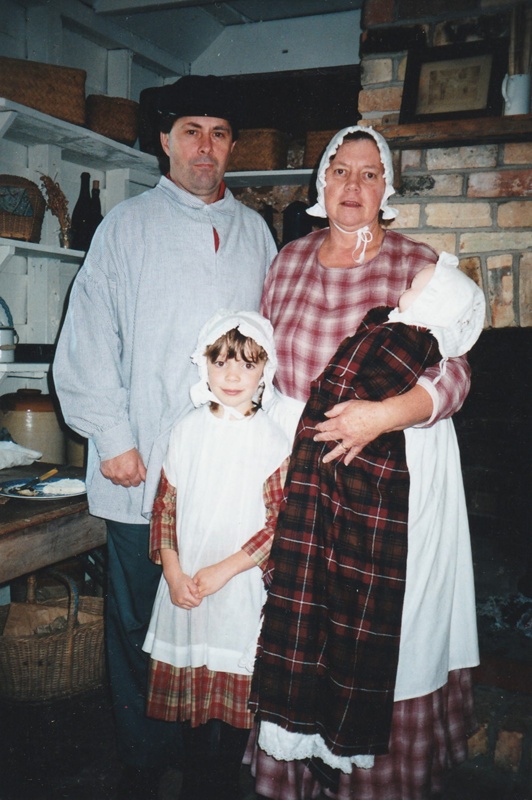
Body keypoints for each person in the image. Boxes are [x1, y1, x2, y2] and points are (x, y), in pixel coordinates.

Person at [52, 75, 277, 797]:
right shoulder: (127, 226)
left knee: (218, 626)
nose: (204, 147)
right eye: (190, 131)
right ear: (164, 141)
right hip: (141, 467)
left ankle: (212, 768)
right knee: (142, 629)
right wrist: (111, 436)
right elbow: (88, 339)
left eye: (217, 132)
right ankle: (145, 768)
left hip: (230, 485)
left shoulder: (256, 233)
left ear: (233, 145)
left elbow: (272, 352)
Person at [247, 126, 482, 800]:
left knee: (376, 629)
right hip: (298, 463)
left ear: (388, 188)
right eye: (341, 171)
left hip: (391, 472)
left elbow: (457, 378)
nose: (353, 188)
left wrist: (382, 414)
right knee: (300, 619)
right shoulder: (287, 259)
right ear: (321, 181)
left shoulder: (418, 261)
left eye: (370, 174)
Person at [142, 309, 303, 799]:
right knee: (194, 705)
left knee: (233, 705)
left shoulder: (273, 441)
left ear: (264, 372)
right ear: (204, 365)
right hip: (185, 585)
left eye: (247, 364)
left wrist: (226, 570)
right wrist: (172, 570)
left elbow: (281, 523)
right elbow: (165, 505)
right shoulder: (186, 431)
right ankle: (194, 784)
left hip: (238, 588)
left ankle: (221, 783)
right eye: (222, 362)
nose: (232, 375)